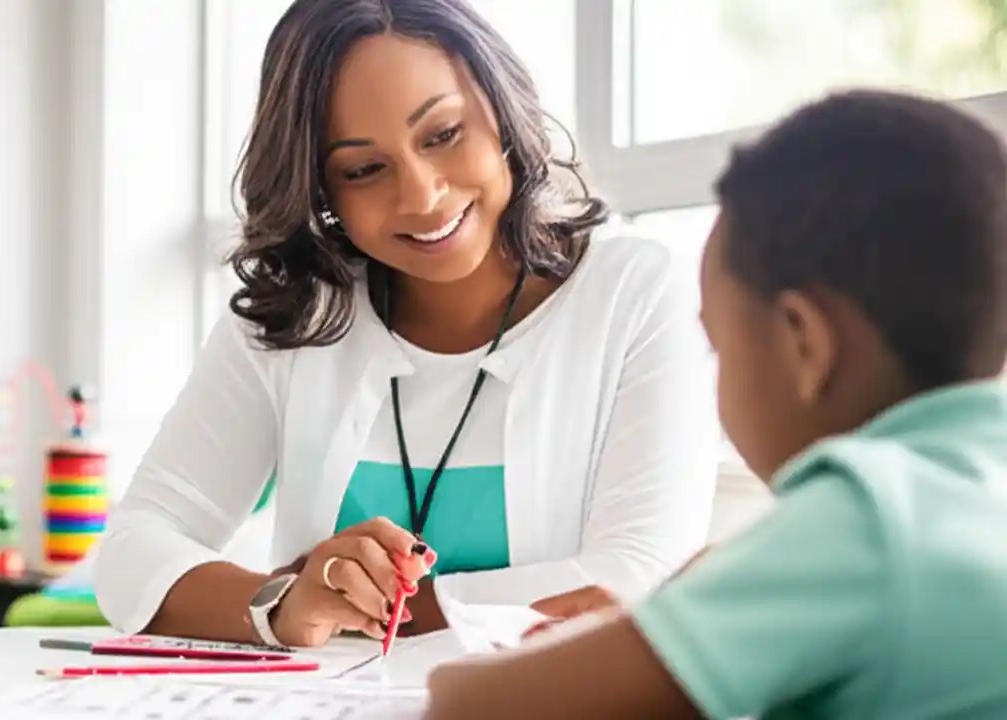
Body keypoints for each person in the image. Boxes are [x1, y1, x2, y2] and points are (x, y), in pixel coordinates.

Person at [94, 0, 717, 649]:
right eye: (363, 170)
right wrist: (284, 603)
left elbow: (632, 579)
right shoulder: (297, 313)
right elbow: (133, 554)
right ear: (321, 190)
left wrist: (351, 607)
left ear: (503, 111)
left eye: (443, 134)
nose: (421, 196)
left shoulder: (635, 288)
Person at [423, 89, 1007, 718]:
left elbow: (474, 705)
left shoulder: (862, 521)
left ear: (803, 342)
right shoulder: (977, 493)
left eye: (718, 346)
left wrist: (635, 635)